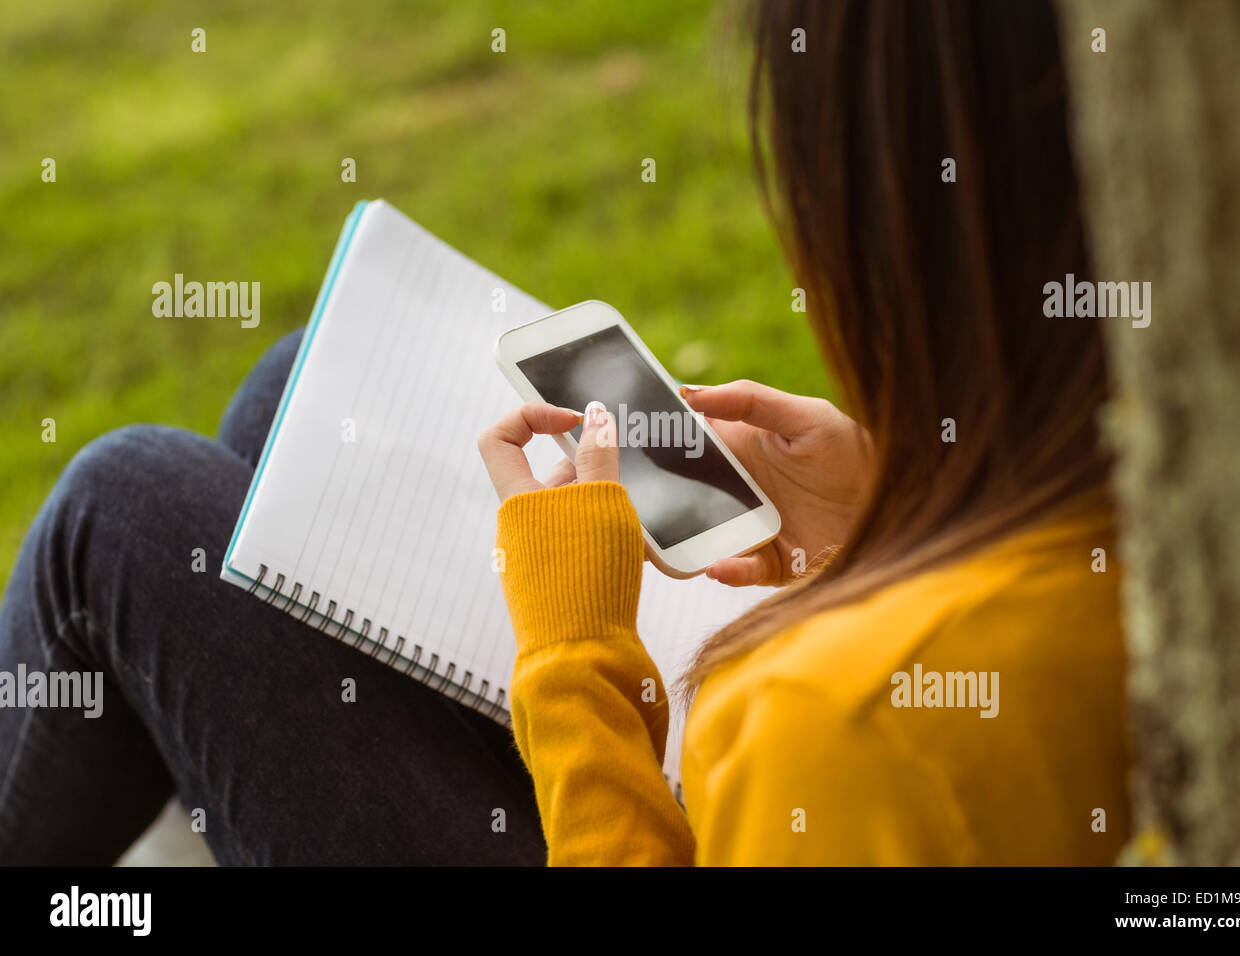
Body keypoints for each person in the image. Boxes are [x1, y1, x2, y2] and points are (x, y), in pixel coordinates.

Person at [0, 0, 1128, 865]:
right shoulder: (1160, 541)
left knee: (123, 507)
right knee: (289, 404)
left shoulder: (842, 737)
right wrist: (902, 505)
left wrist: (577, 650)